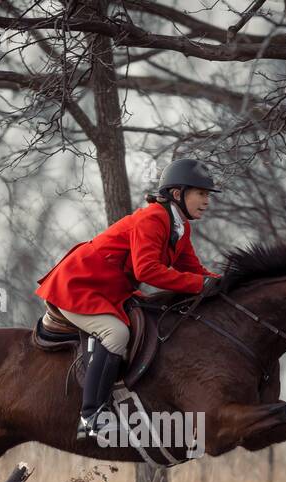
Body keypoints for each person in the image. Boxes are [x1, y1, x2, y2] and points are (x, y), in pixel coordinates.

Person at [35, 158, 224, 439]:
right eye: (201, 193)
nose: (207, 201)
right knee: (116, 334)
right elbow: (146, 270)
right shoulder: (153, 219)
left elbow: (193, 269)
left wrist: (226, 283)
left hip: (107, 290)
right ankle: (90, 416)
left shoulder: (180, 226)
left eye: (207, 194)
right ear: (177, 194)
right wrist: (201, 284)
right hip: (77, 286)